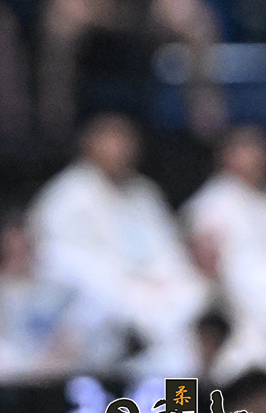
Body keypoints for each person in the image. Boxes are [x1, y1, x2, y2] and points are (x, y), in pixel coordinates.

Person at [28, 113, 209, 378]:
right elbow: (60, 258)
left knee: (186, 327)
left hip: (156, 297)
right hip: (96, 302)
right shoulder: (68, 195)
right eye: (111, 142)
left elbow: (168, 250)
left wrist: (158, 279)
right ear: (89, 146)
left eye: (125, 143)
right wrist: (128, 281)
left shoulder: (143, 193)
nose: (119, 151)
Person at [183, 126, 266, 381]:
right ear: (226, 156)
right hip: (230, 293)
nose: (253, 157)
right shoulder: (214, 199)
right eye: (244, 150)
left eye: (257, 150)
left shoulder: (259, 200)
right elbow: (203, 257)